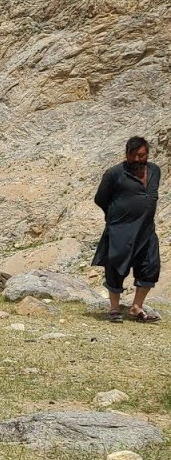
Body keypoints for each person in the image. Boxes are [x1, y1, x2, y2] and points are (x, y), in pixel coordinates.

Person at [93, 136, 161, 323]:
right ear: (127, 154)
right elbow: (100, 199)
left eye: (142, 155)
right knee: (115, 268)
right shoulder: (114, 173)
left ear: (147, 153)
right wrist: (117, 215)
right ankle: (114, 309)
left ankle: (136, 307)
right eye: (134, 155)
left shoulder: (155, 170)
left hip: (146, 230)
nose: (138, 159)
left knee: (150, 267)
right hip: (120, 230)